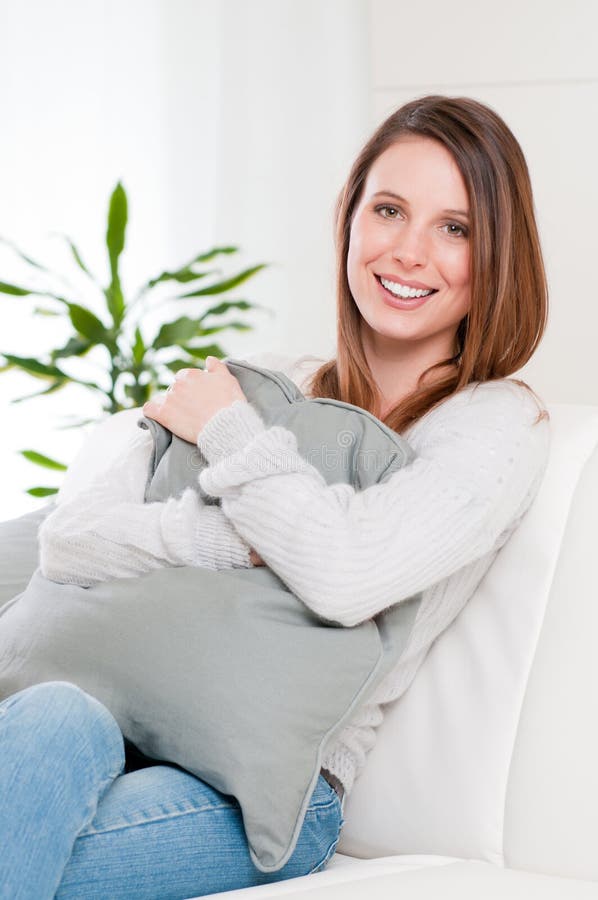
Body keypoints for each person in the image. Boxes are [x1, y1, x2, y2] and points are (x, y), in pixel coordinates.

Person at [0, 94, 550, 899]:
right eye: (389, 210)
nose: (408, 251)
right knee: (57, 718)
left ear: (497, 254)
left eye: (454, 228)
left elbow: (348, 571)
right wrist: (226, 539)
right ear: (350, 220)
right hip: (106, 724)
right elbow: (72, 539)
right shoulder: (269, 381)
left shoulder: (494, 425)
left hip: (261, 795)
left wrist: (227, 437)